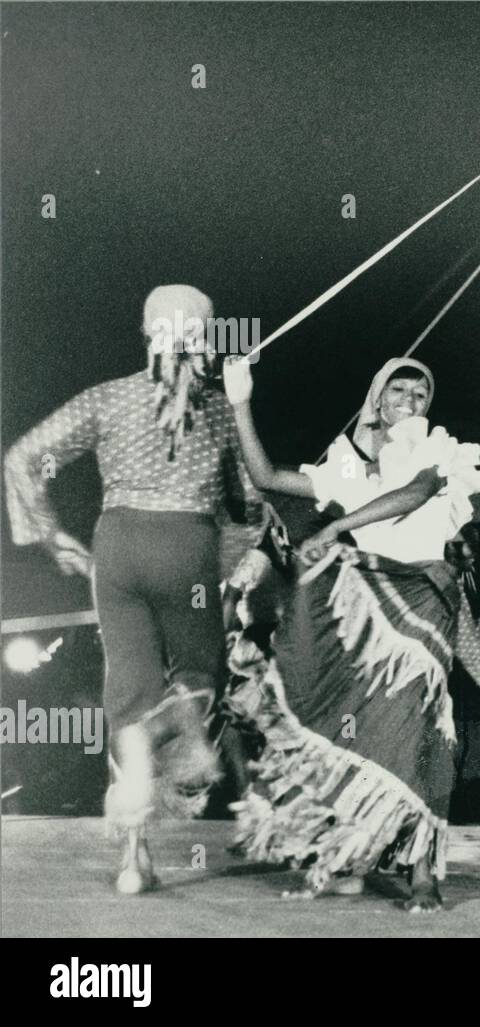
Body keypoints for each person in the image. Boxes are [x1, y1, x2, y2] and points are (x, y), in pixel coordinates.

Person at [220, 356, 480, 912]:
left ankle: (423, 869)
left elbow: (419, 493)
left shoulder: (440, 449)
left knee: (422, 731)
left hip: (423, 604)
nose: (410, 398)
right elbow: (267, 478)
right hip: (363, 610)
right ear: (376, 401)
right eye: (398, 390)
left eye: (420, 392)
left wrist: (336, 525)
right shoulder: (349, 469)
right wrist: (239, 400)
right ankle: (349, 851)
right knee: (351, 727)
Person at [3, 284, 261, 894]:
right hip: (185, 548)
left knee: (128, 689)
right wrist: (221, 564)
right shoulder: (221, 409)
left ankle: (133, 861)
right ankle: (158, 744)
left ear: (148, 334)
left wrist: (52, 538)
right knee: (201, 673)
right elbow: (247, 504)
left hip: (115, 549)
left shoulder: (107, 398)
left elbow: (22, 458)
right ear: (206, 337)